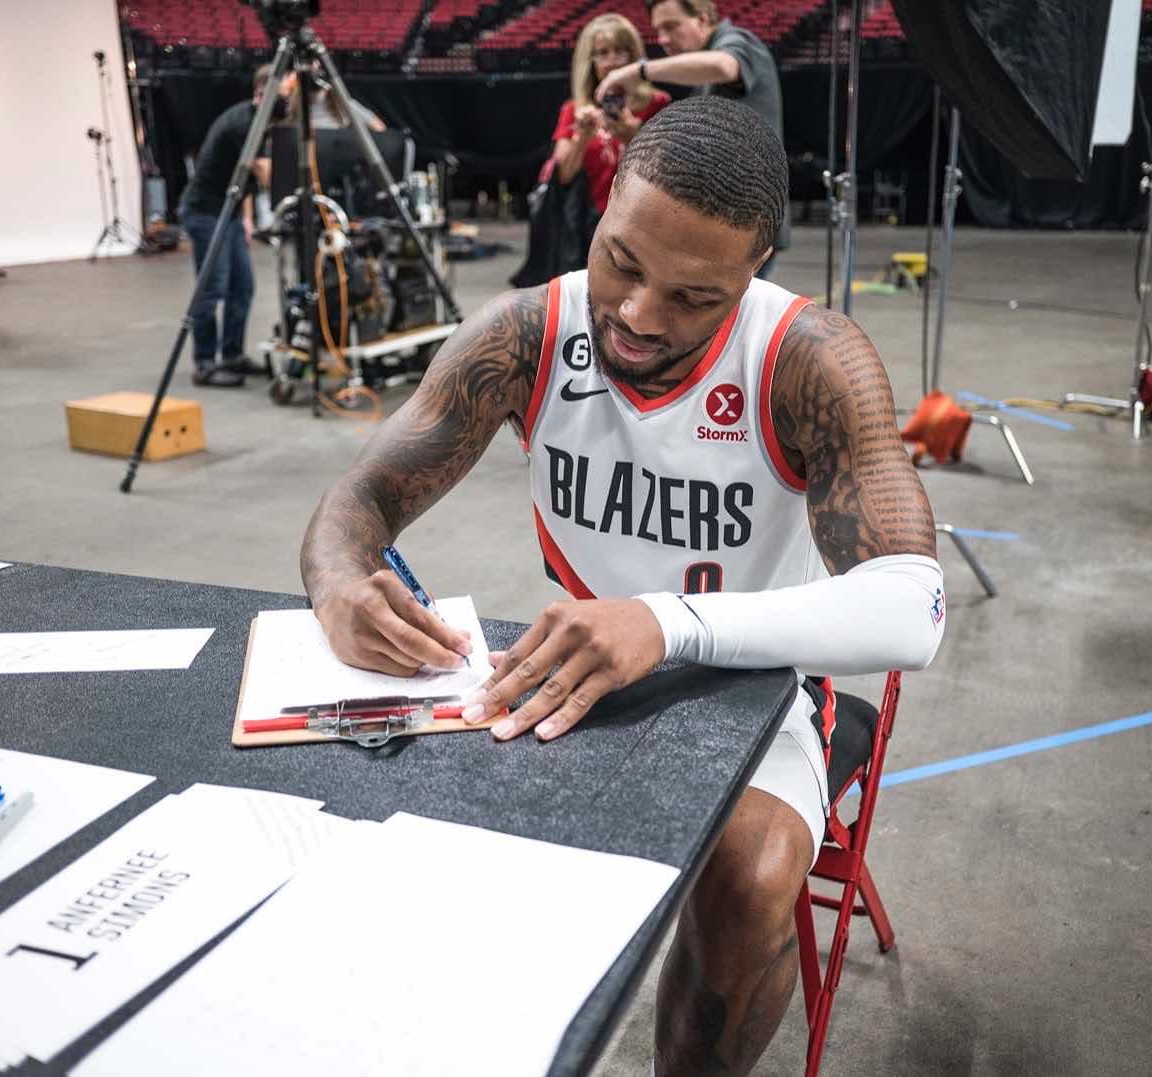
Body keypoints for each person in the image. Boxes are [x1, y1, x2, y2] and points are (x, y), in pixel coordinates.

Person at [301, 97, 944, 1077]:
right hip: (572, 672)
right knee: (368, 815)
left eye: (694, 296)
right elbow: (364, 496)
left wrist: (668, 622)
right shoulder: (525, 333)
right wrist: (341, 579)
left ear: (755, 270)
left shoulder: (809, 358)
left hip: (756, 689)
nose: (640, 315)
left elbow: (915, 606)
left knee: (755, 876)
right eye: (623, 263)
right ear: (602, 216)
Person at [597, 0, 789, 279]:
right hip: (720, 226)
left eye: (671, 26)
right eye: (658, 30)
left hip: (744, 225)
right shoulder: (700, 76)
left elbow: (724, 67)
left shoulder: (738, 40)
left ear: (701, 19)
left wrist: (637, 71)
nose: (662, 39)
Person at [177, 65, 276, 388]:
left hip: (229, 212)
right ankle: (204, 364)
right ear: (261, 94)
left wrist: (246, 218)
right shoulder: (244, 124)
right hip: (205, 212)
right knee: (212, 289)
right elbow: (265, 173)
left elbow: (241, 177)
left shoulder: (260, 121)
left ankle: (232, 355)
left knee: (243, 287)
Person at [553, 13, 670, 217]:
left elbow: (671, 170)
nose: (612, 62)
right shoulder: (574, 110)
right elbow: (562, 176)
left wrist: (635, 135)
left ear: (633, 56)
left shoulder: (657, 103)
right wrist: (582, 138)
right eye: (603, 53)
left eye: (620, 52)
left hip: (645, 219)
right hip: (593, 222)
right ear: (590, 61)